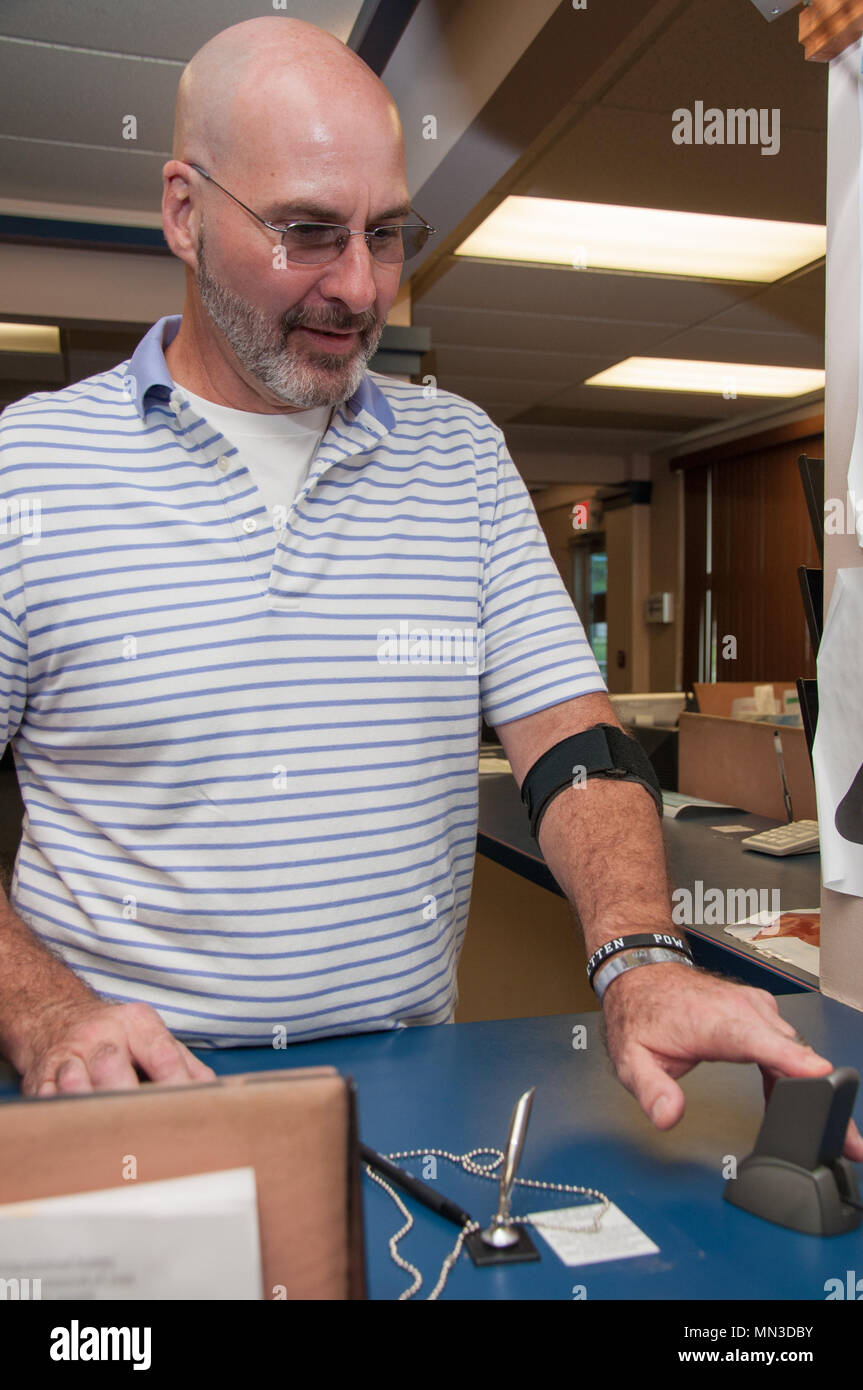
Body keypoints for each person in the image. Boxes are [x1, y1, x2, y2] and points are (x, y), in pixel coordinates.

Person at [1, 16, 859, 1159]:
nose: (359, 287)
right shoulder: (32, 466)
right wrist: (46, 1010)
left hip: (406, 1097)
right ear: (183, 210)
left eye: (388, 234)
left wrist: (639, 955)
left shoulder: (456, 454)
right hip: (125, 1099)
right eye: (308, 232)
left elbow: (569, 736)